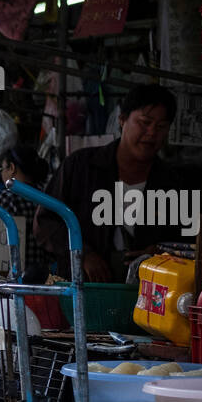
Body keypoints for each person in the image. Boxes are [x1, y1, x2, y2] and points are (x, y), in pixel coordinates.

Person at [34, 83, 182, 282]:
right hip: (83, 289)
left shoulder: (173, 182)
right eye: (145, 122)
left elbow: (186, 242)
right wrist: (82, 253)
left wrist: (160, 254)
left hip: (148, 296)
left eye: (161, 126)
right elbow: (45, 222)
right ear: (122, 120)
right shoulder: (80, 166)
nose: (152, 133)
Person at [0, 145, 51, 281]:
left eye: (2, 169)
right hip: (43, 279)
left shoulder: (5, 198)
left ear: (12, 168)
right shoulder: (47, 198)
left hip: (14, 280)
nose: (1, 174)